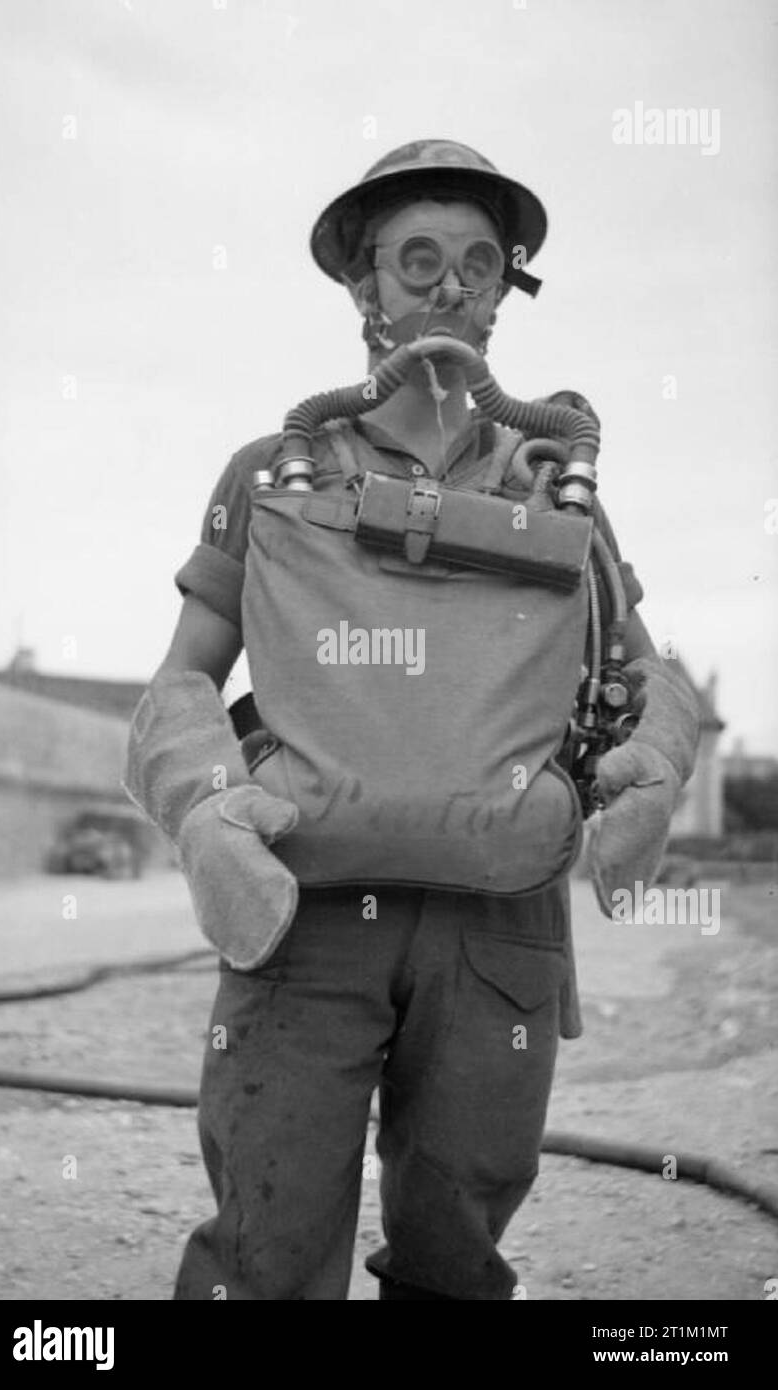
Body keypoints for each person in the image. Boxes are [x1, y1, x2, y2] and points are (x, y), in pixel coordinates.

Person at [124, 140, 700, 1300]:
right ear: (363, 287)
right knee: (266, 1250)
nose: (448, 286)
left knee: (454, 1247)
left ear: (504, 289)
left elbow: (648, 674)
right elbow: (179, 684)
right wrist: (204, 812)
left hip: (497, 927)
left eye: (478, 264)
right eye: (418, 259)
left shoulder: (557, 485)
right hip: (308, 910)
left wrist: (654, 764)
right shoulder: (276, 472)